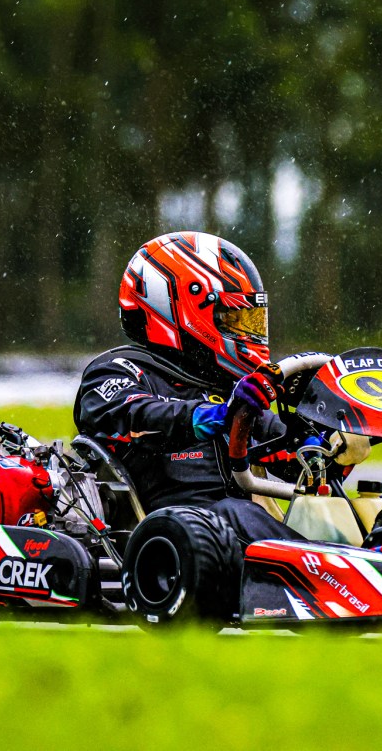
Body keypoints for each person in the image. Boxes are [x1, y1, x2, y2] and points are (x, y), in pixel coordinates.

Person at [73, 231, 309, 545]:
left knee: (371, 510)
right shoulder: (117, 370)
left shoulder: (230, 388)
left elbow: (297, 461)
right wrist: (215, 415)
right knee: (238, 514)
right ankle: (337, 578)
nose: (248, 332)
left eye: (251, 321)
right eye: (234, 319)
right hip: (167, 544)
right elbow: (134, 414)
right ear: (184, 311)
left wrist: (332, 441)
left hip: (234, 546)